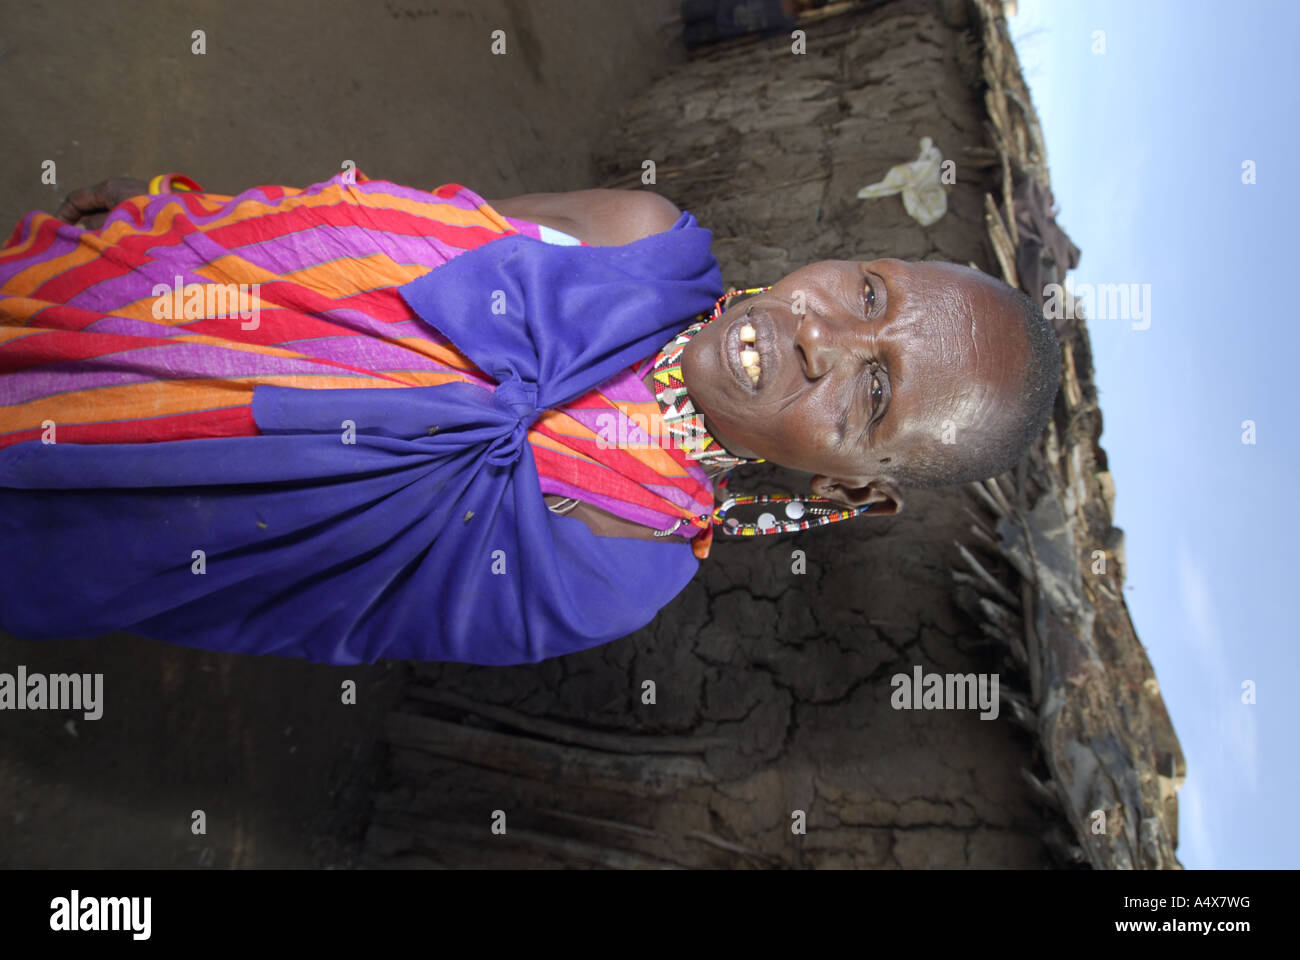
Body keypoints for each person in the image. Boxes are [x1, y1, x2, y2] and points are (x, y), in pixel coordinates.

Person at [0, 170, 1059, 665]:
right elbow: (361, 238)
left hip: (105, 498)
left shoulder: (617, 564)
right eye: (869, 294)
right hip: (113, 307)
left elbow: (321, 593)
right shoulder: (636, 237)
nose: (826, 335)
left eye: (871, 395)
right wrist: (182, 239)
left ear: (838, 487)